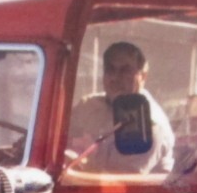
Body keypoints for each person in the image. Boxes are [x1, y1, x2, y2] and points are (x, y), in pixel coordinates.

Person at [66, 41, 175, 174]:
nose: (115, 78)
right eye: (110, 69)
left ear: (143, 76)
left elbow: (120, 184)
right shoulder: (87, 106)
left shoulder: (150, 124)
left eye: (125, 71)